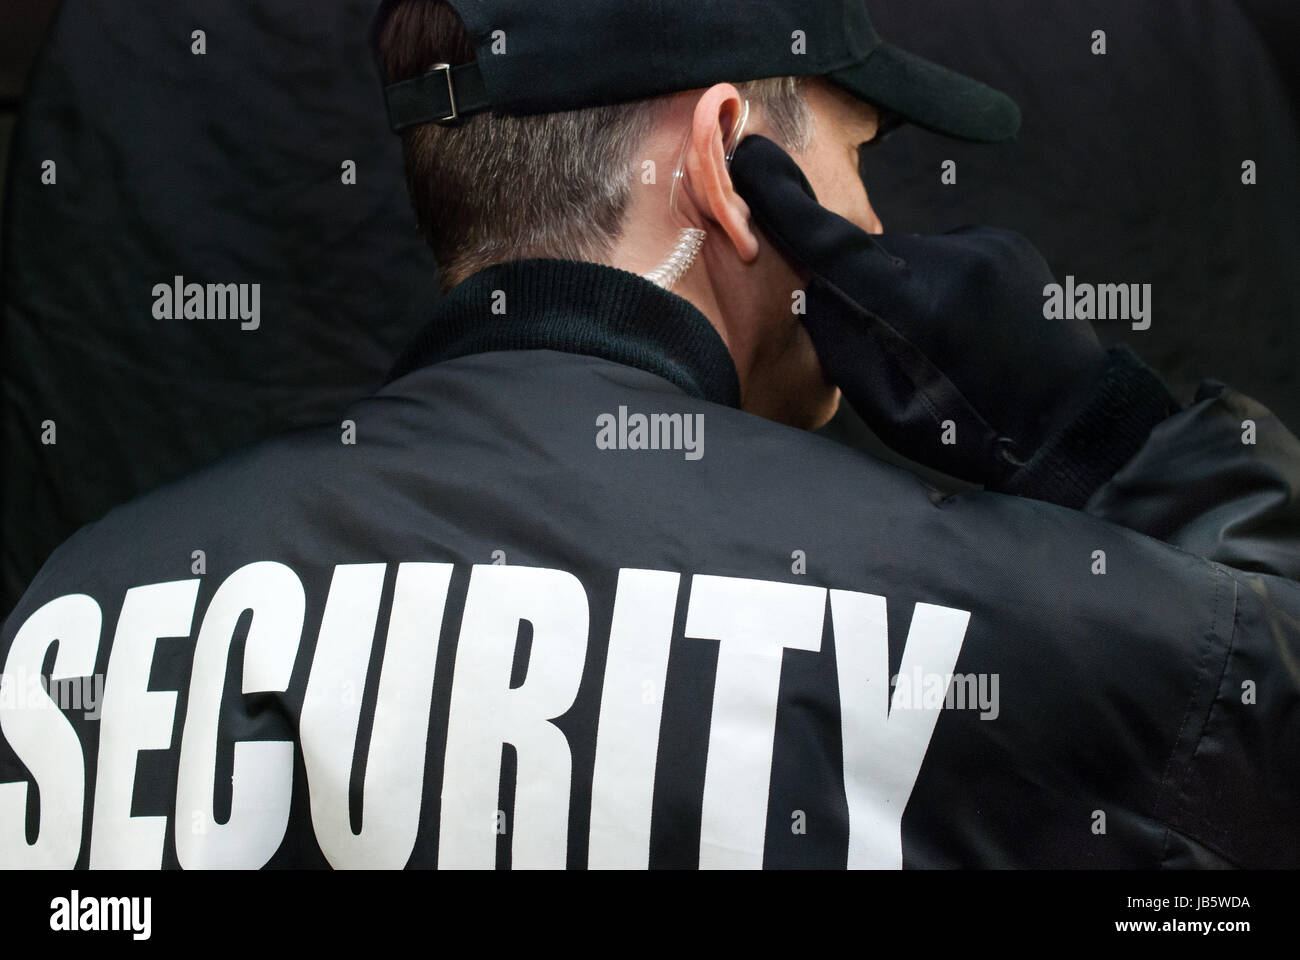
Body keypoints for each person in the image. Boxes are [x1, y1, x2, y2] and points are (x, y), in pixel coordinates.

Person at [1, 0, 1297, 870]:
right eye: (858, 156)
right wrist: (1105, 432)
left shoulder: (87, 614)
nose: (876, 221)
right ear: (732, 162)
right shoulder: (982, 632)